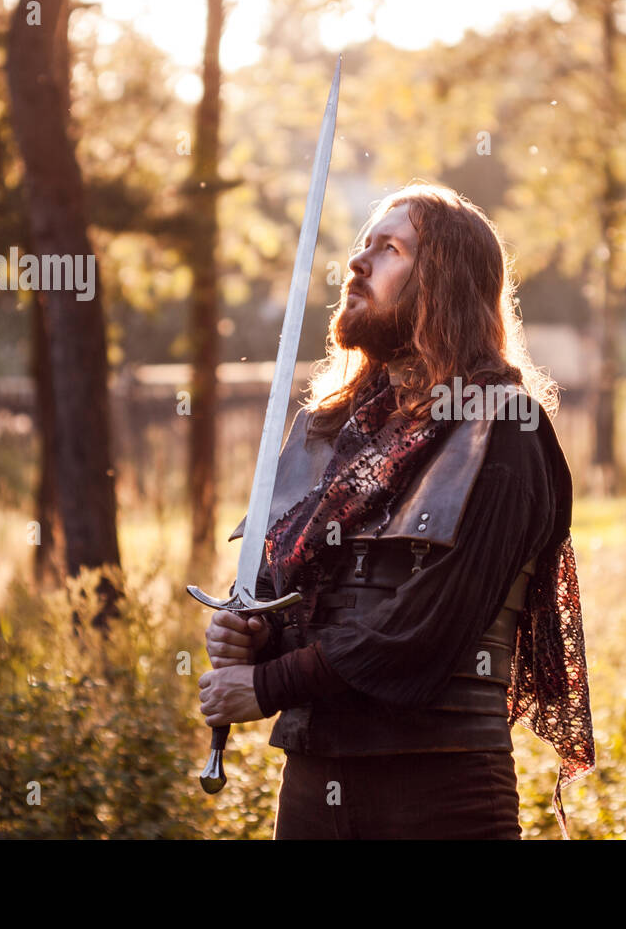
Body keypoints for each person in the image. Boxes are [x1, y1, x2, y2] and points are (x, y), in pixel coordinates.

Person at [198, 183, 593, 839]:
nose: (358, 262)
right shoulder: (330, 432)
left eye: (390, 249)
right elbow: (285, 596)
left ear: (444, 283)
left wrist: (267, 686)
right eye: (363, 244)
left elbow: (425, 628)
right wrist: (257, 633)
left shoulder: (501, 428)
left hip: (439, 793)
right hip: (313, 788)